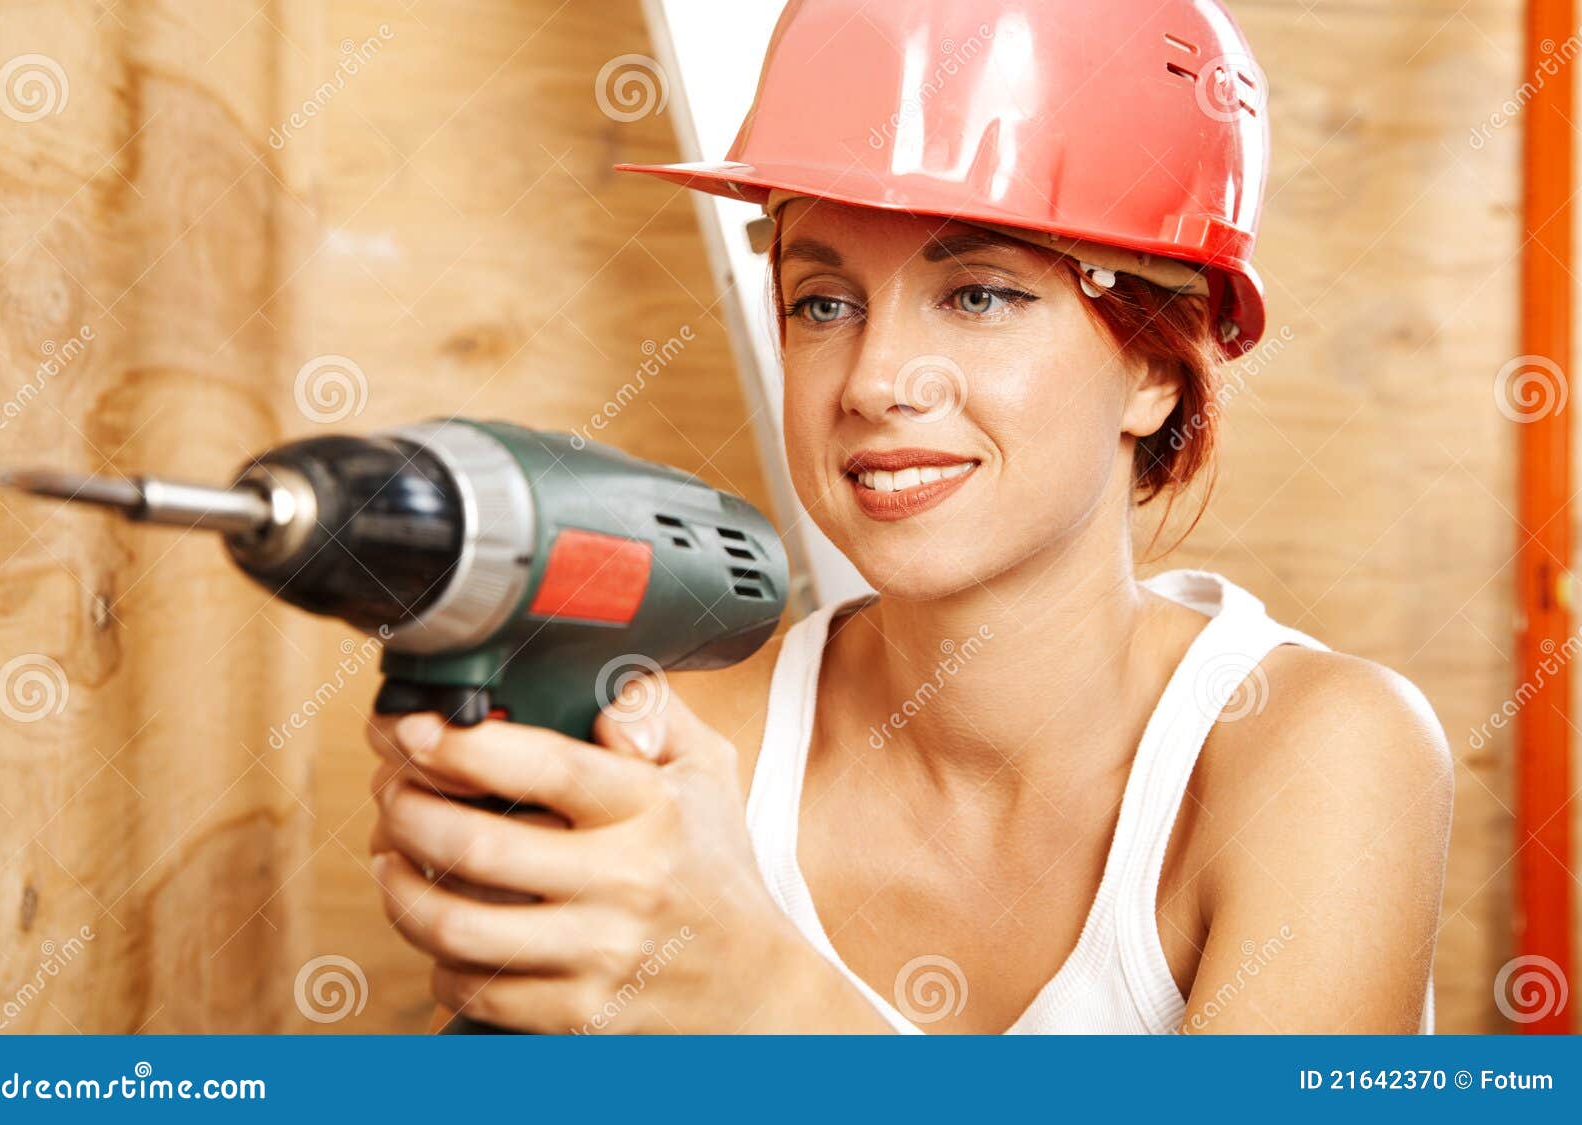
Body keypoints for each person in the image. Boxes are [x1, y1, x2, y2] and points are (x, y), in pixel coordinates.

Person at [364, 0, 1452, 1034]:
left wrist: (767, 1005)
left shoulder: (1314, 756)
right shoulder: (690, 750)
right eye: (822, 302)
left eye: (979, 294)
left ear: (1154, 368)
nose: (874, 379)